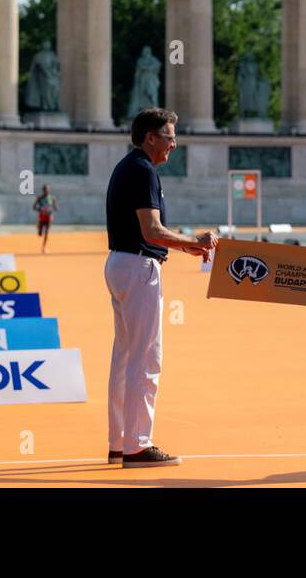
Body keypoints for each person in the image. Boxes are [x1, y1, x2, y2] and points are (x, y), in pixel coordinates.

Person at [104, 106, 217, 469]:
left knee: (124, 358)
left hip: (122, 263)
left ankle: (119, 442)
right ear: (150, 137)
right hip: (138, 265)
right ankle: (138, 444)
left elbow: (149, 230)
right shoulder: (143, 171)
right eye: (169, 137)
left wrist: (188, 245)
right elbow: (151, 230)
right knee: (146, 357)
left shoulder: (130, 167)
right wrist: (192, 242)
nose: (174, 144)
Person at [34, 185, 58, 253]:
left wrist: (53, 209)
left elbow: (54, 206)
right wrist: (41, 210)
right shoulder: (40, 198)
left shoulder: (52, 198)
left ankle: (44, 247)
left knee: (47, 232)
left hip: (49, 217)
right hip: (42, 217)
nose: (46, 191)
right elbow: (34, 207)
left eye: (47, 190)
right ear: (43, 191)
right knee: (40, 234)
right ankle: (39, 227)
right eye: (45, 190)